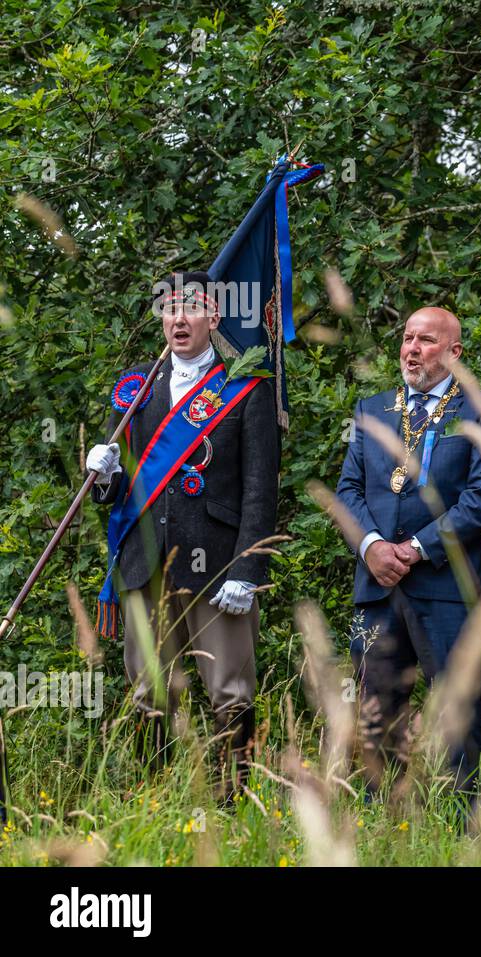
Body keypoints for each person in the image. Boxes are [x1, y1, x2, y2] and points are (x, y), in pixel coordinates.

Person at [88, 270, 280, 799]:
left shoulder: (244, 390)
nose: (178, 319)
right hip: (144, 561)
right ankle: (157, 800)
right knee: (149, 691)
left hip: (216, 562)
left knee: (230, 691)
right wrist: (105, 475)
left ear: (213, 318)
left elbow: (260, 490)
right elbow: (123, 488)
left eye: (191, 308)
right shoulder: (136, 391)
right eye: (169, 309)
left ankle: (234, 803)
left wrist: (248, 569)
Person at [336, 306, 481, 800]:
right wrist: (371, 547)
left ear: (454, 353)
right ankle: (378, 817)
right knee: (375, 708)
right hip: (377, 588)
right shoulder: (372, 409)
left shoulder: (479, 409)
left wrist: (414, 549)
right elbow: (348, 489)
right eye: (408, 339)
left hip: (447, 587)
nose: (412, 349)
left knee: (458, 708)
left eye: (426, 341)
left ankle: (468, 821)